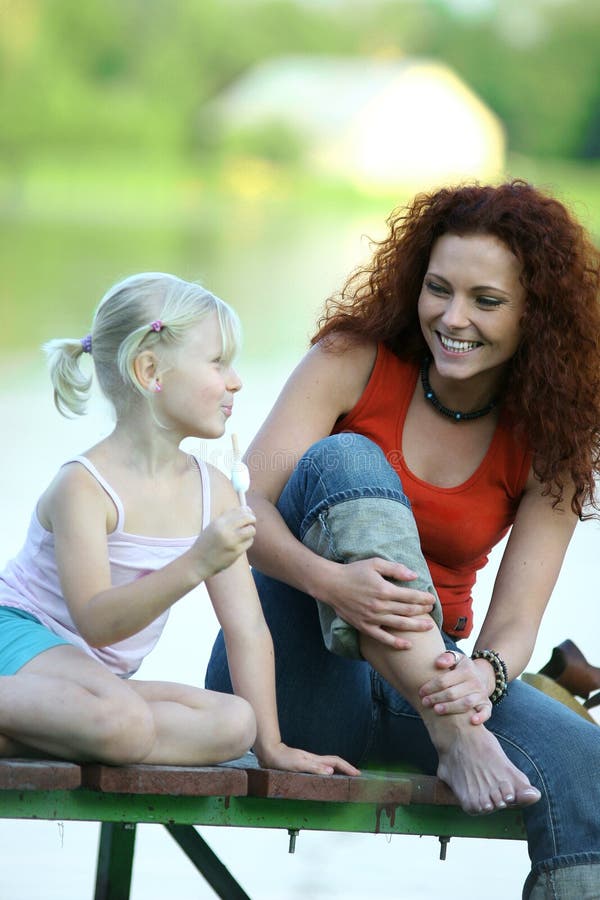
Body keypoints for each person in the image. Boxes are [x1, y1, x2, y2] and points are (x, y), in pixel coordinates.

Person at [206, 181, 600, 897]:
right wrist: (328, 581)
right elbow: (237, 511)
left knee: (588, 765)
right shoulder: (353, 360)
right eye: (438, 290)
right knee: (345, 459)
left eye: (486, 301)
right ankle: (453, 735)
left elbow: (513, 622)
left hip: (439, 686)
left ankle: (451, 722)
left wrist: (484, 677)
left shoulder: (553, 433)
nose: (453, 318)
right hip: (294, 689)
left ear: (534, 315)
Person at [0, 272, 357, 777]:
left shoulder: (213, 492)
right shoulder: (84, 487)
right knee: (124, 724)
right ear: (150, 371)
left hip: (96, 681)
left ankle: (42, 730)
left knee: (236, 723)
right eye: (218, 363)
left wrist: (271, 746)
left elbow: (249, 629)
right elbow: (97, 624)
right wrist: (196, 562)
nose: (236, 381)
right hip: (21, 639)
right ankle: (92, 726)